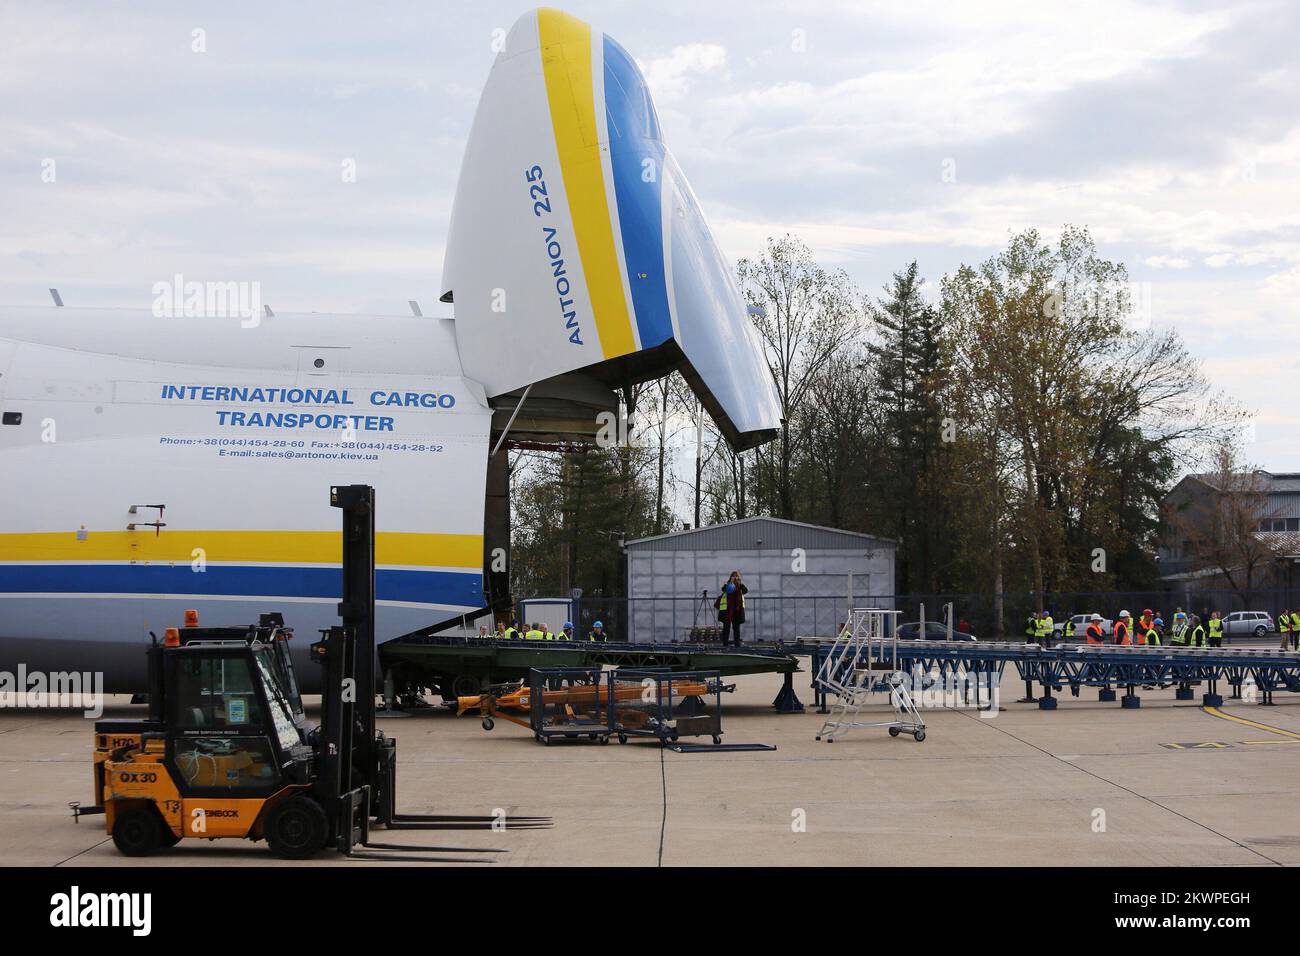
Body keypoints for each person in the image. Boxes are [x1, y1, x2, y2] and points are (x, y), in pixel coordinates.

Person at [715, 571, 748, 647]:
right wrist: (730, 583)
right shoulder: (728, 585)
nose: (735, 577)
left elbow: (745, 591)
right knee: (726, 628)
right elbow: (723, 589)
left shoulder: (740, 585)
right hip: (728, 610)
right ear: (731, 577)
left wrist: (740, 584)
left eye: (736, 576)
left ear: (739, 577)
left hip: (737, 610)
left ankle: (737, 645)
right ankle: (725, 645)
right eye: (733, 576)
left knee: (736, 629)